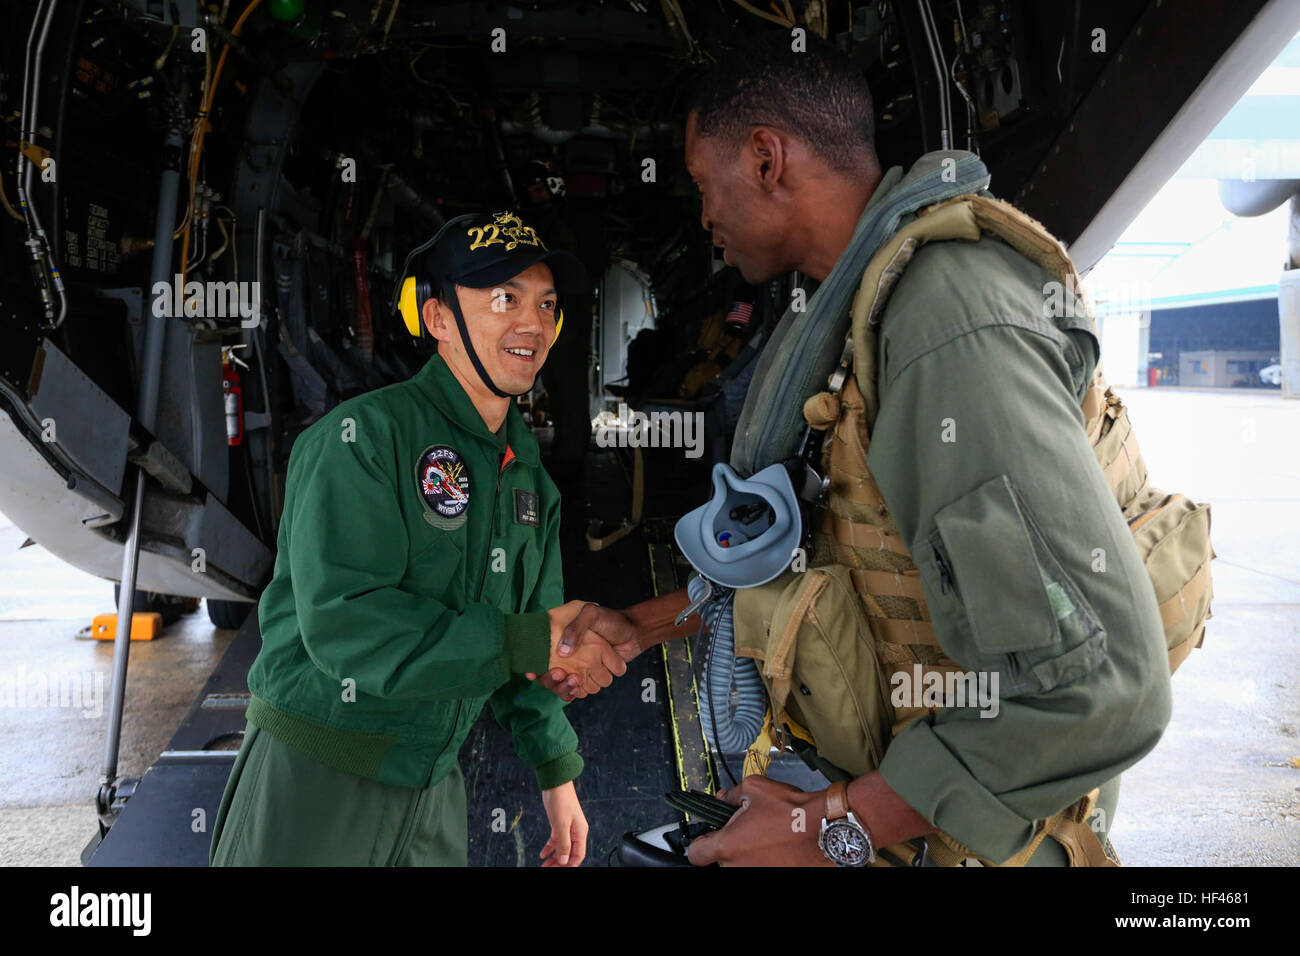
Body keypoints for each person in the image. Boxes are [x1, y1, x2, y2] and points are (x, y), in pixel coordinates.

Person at [542, 33, 1172, 867]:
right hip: (918, 811)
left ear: (767, 158)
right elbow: (825, 543)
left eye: (705, 184)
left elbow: (1099, 691)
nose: (704, 217)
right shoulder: (849, 320)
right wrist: (636, 625)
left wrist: (829, 824)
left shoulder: (946, 325)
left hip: (984, 841)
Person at [209, 209, 632, 867]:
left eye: (547, 303)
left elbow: (534, 637)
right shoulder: (361, 441)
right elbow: (347, 625)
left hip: (433, 783)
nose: (533, 323)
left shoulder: (525, 476)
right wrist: (529, 638)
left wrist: (556, 771)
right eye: (503, 298)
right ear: (438, 320)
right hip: (315, 779)